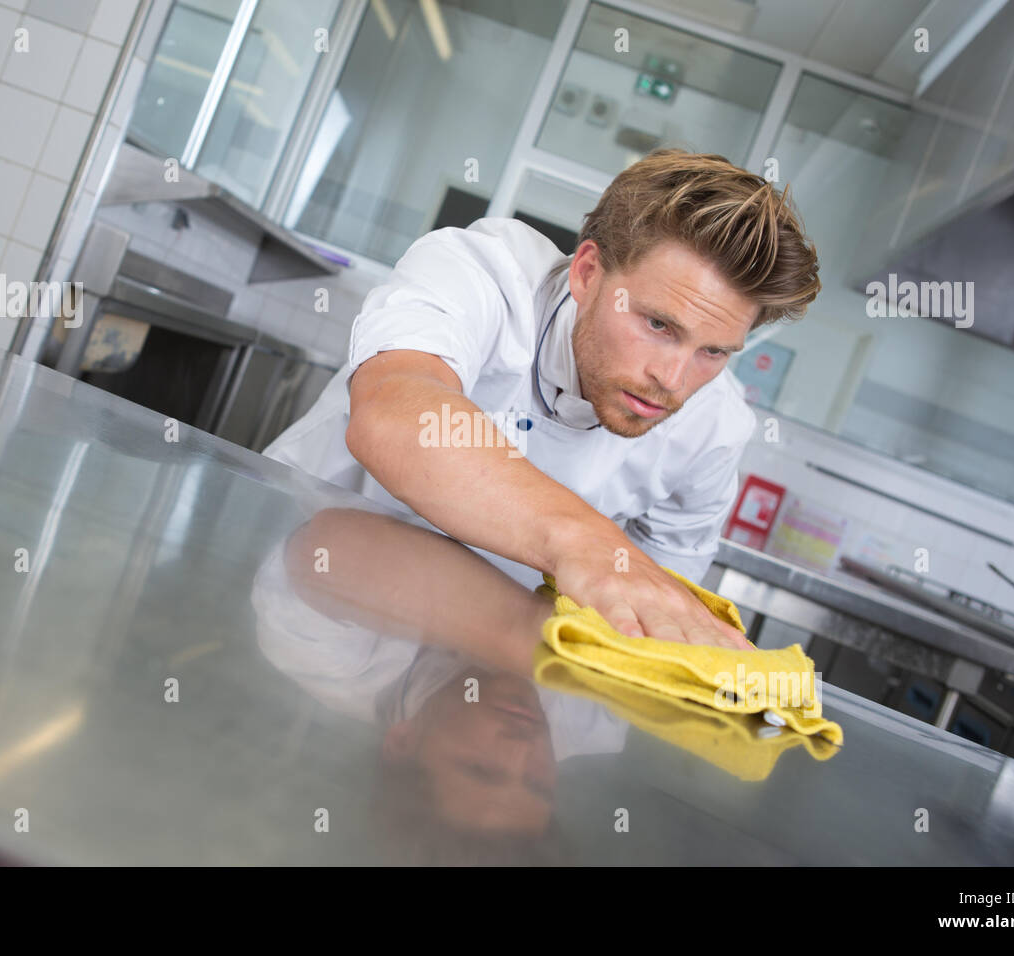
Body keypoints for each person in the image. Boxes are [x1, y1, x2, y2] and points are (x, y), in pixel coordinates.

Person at [263, 149, 820, 648]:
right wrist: (583, 540)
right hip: (310, 601)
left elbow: (656, 610)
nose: (673, 380)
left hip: (499, 667)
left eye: (715, 352)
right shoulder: (480, 272)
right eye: (657, 324)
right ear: (587, 273)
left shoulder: (715, 429)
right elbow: (393, 413)